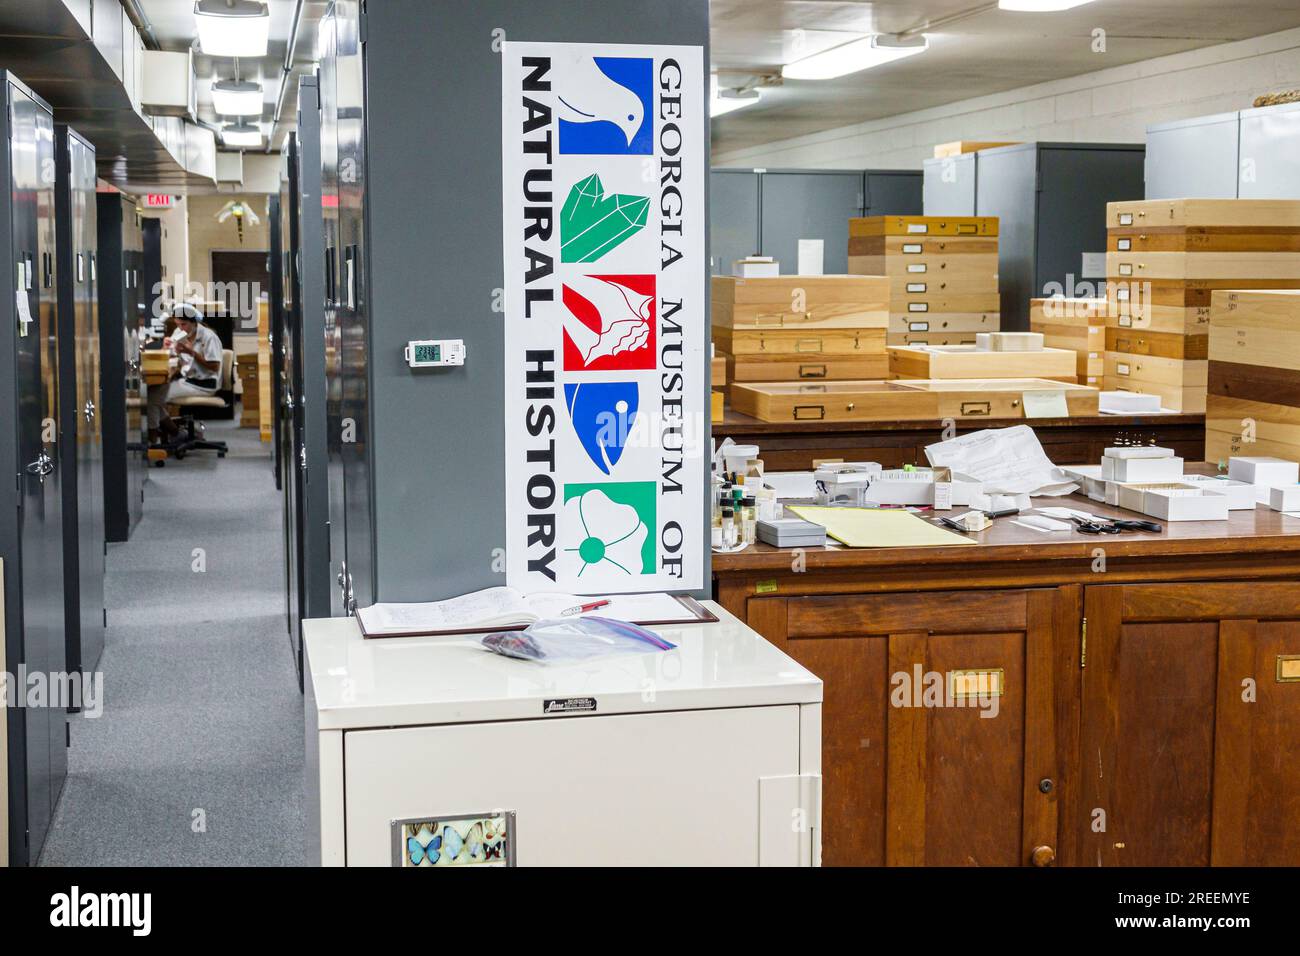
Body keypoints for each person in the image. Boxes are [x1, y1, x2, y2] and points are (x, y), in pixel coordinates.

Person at [147, 303, 223, 443]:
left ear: (194, 322)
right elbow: (176, 359)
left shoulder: (208, 337)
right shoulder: (178, 333)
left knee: (153, 399)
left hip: (205, 383)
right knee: (152, 396)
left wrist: (191, 352)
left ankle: (155, 440)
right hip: (188, 379)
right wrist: (166, 348)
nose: (181, 328)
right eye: (178, 324)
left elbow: (214, 367)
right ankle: (175, 433)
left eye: (184, 324)